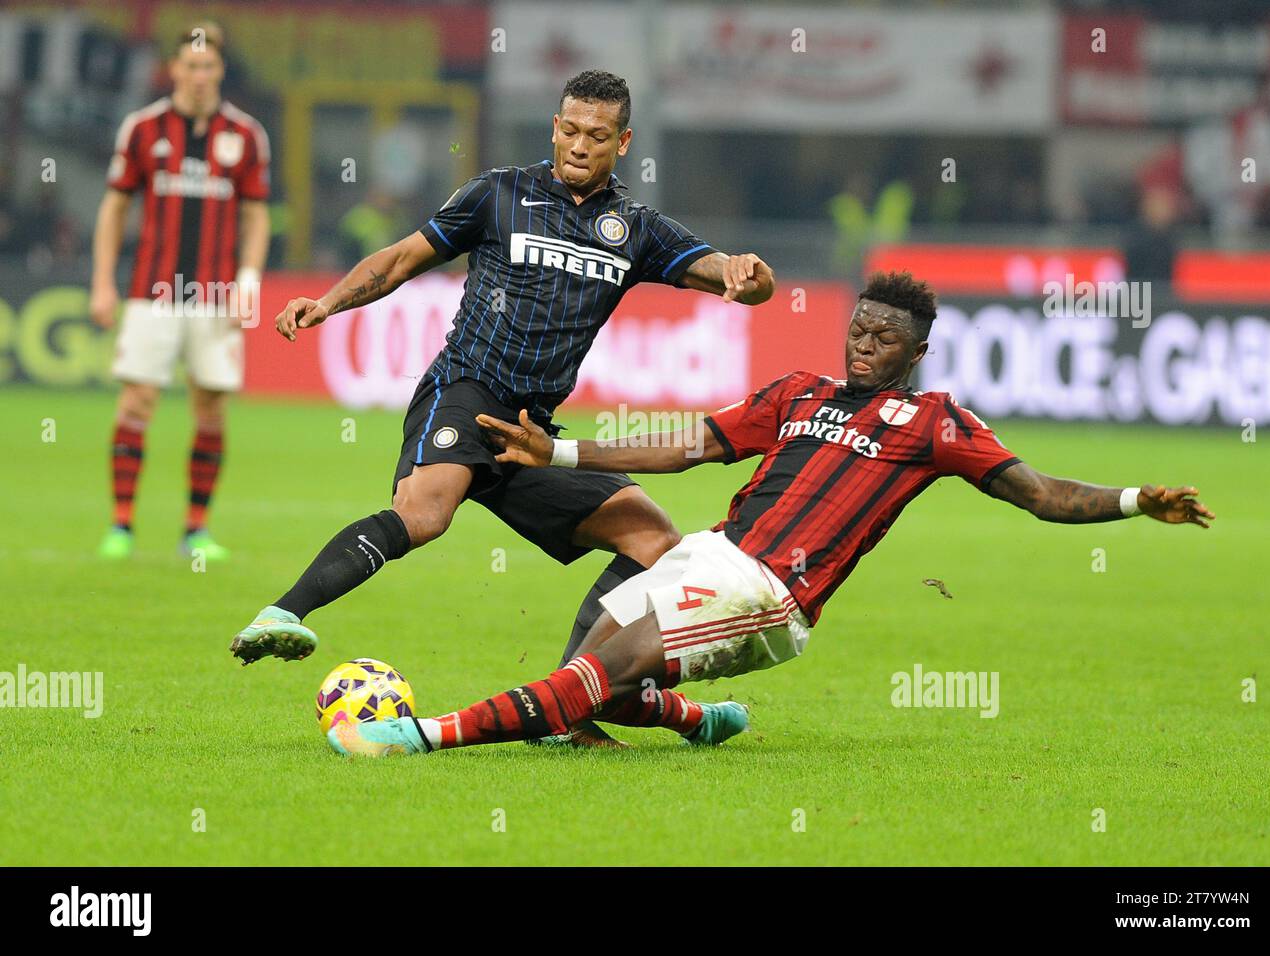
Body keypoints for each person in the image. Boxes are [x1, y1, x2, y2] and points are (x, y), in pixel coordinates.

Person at [323, 271, 1215, 758]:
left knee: (606, 671)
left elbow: (1041, 494)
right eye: (858, 329)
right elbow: (686, 444)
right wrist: (556, 452)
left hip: (771, 590)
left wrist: (1138, 502)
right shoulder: (798, 390)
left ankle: (420, 737)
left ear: (918, 351)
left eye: (883, 338)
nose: (863, 344)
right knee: (601, 677)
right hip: (713, 555)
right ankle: (698, 723)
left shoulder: (935, 422)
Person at [231, 71, 776, 749]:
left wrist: (749, 276)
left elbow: (733, 280)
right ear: (554, 127)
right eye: (570, 130)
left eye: (598, 136)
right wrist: (328, 302)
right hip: (466, 391)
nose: (580, 145)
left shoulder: (635, 230)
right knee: (425, 515)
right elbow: (402, 258)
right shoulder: (499, 194)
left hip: (531, 435)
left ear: (624, 141)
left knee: (653, 543)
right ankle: (282, 612)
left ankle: (564, 705)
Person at [90, 20, 270, 562]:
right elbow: (115, 206)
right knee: (138, 399)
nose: (198, 75)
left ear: (219, 71)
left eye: (208, 66)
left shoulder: (245, 135)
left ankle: (196, 528)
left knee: (210, 406)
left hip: (215, 294)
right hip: (153, 291)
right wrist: (102, 281)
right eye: (189, 65)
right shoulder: (142, 129)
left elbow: (257, 215)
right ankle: (122, 525)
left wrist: (249, 280)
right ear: (174, 69)